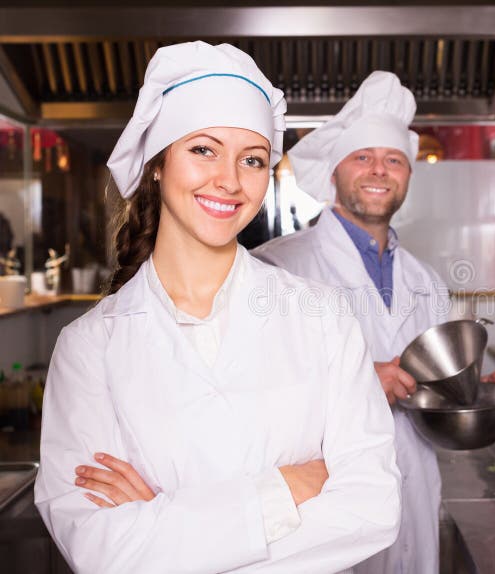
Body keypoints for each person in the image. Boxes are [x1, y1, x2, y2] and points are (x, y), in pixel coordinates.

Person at [34, 42, 401, 574]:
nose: (229, 180)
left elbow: (373, 508)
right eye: (204, 150)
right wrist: (285, 489)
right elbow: (99, 550)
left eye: (252, 159)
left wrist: (165, 525)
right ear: (158, 164)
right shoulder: (90, 347)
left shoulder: (323, 317)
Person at [251, 71, 448, 574]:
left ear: (407, 175)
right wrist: (359, 386)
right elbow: (247, 400)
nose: (379, 169)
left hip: (415, 498)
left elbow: (437, 392)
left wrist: (464, 389)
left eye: (394, 159)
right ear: (333, 173)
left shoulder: (427, 282)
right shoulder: (275, 270)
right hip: (325, 507)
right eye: (362, 157)